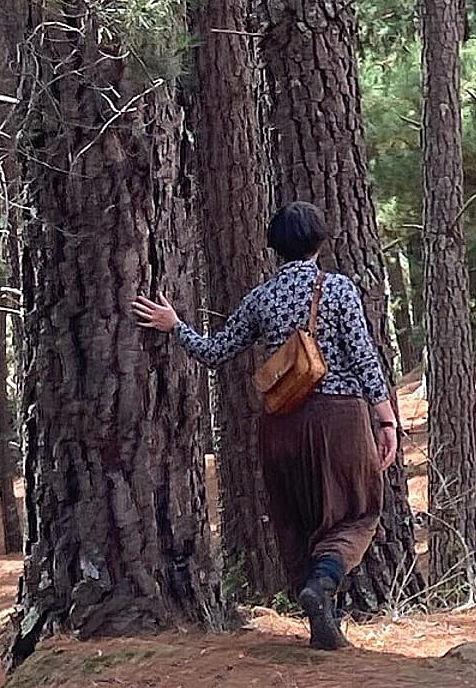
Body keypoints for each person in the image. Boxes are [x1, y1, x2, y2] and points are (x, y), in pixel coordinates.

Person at [132, 201, 399, 650]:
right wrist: (385, 417)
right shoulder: (337, 289)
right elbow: (363, 355)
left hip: (280, 426)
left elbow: (215, 353)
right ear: (319, 241)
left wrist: (175, 325)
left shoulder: (262, 298)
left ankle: (323, 625)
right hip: (340, 422)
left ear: (274, 247)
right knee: (358, 511)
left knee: (295, 520)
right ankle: (324, 586)